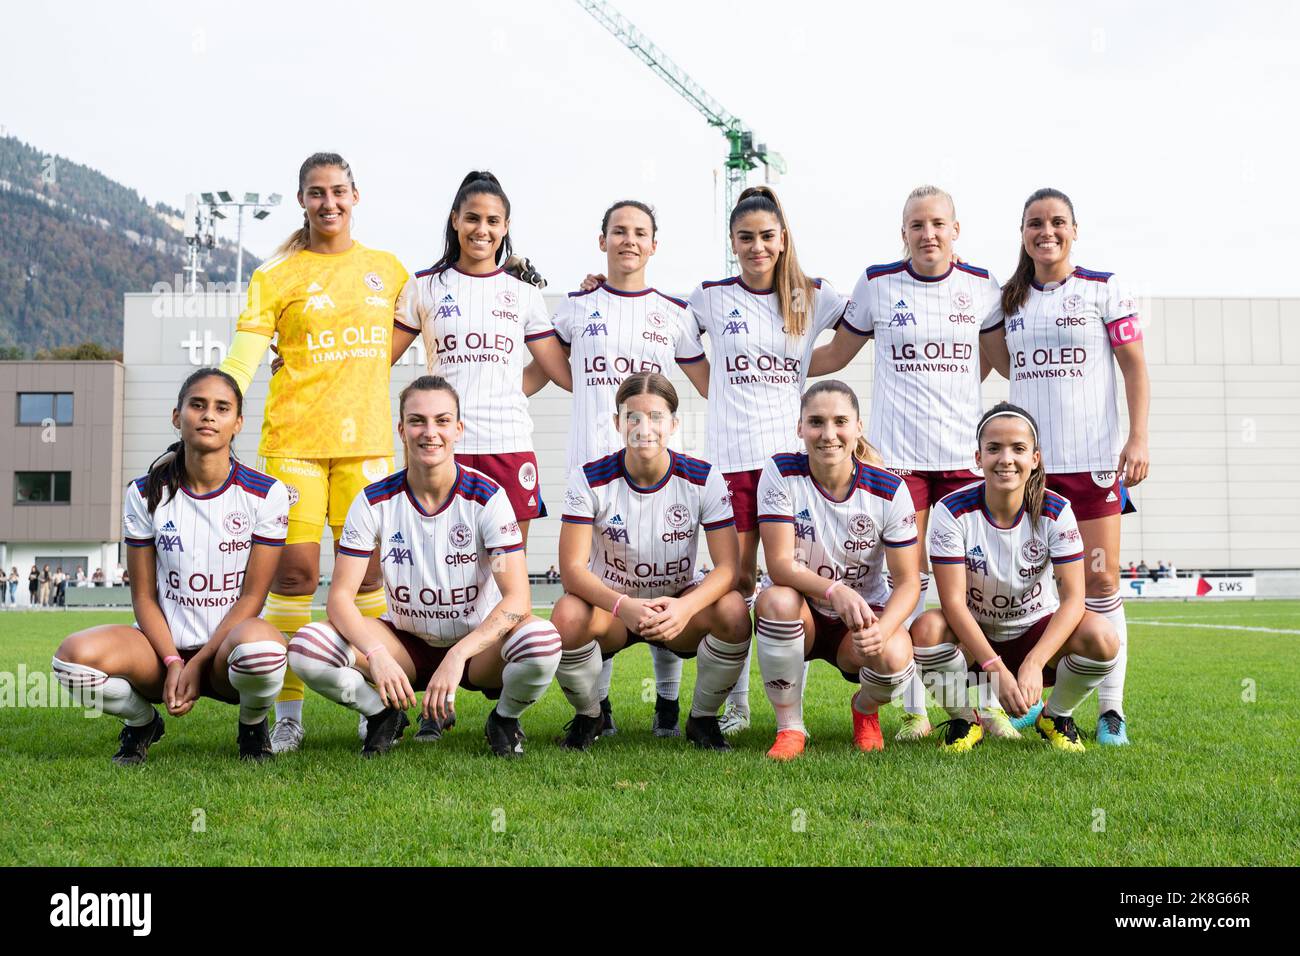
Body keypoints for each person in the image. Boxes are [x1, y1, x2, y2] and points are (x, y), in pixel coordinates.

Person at [219, 152, 412, 754]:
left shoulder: (390, 270)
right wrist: (216, 404)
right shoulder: (274, 276)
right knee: (297, 574)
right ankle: (288, 713)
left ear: (357, 196)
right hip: (294, 443)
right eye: (316, 193)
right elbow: (244, 356)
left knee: (371, 575)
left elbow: (445, 300)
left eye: (338, 191)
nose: (329, 202)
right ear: (301, 200)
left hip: (369, 448)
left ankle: (373, 699)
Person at [809, 184, 1009, 742]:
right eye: (917, 225)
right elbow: (835, 355)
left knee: (968, 587)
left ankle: (981, 705)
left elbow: (1000, 361)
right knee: (912, 583)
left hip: (964, 462)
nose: (929, 234)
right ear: (903, 234)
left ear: (956, 230)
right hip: (899, 463)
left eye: (938, 224)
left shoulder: (981, 286)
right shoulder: (877, 283)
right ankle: (917, 709)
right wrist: (774, 359)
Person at [287, 375, 562, 757]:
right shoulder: (373, 500)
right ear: (401, 429)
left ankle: (504, 719)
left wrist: (457, 655)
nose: (429, 432)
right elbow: (340, 599)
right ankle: (382, 714)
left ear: (459, 429)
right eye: (417, 421)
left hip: (476, 649)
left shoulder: (488, 498)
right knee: (306, 648)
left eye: (442, 421)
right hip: (404, 645)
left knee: (542, 640)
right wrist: (377, 654)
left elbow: (517, 599)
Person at [52, 369, 290, 764]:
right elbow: (143, 596)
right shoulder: (145, 492)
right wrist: (174, 661)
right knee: (72, 659)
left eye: (222, 408)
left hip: (227, 655)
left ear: (238, 423)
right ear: (177, 416)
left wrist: (197, 663)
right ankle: (142, 722)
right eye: (197, 405)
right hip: (161, 651)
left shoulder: (266, 493)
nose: (208, 416)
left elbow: (253, 596)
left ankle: (252, 726)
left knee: (264, 651)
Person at [983, 188, 1149, 746]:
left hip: (1094, 463)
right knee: (1036, 579)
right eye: (1034, 223)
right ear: (1022, 233)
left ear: (1074, 230)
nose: (1045, 232)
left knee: (1100, 580)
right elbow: (1004, 366)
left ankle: (1109, 712)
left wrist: (1138, 437)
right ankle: (1024, 701)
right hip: (1033, 470)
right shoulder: (1007, 299)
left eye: (1057, 222)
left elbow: (1134, 368)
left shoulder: (1105, 289)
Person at [689, 186, 849, 735]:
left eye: (766, 236)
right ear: (732, 242)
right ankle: (735, 707)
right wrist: (723, 390)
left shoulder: (811, 295)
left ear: (783, 240)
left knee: (791, 585)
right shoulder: (709, 296)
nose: (756, 246)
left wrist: (804, 369)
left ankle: (794, 714)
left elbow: (857, 332)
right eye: (745, 238)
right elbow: (685, 348)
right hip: (730, 461)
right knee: (734, 583)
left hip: (789, 464)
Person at [547, 201, 711, 738]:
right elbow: (550, 372)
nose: (629, 241)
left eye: (640, 233)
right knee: (601, 581)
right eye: (619, 231)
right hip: (594, 472)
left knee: (664, 571)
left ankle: (667, 703)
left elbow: (714, 382)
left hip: (658, 468)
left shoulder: (677, 311)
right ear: (602, 240)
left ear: (655, 245)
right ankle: (600, 707)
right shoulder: (573, 307)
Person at [551, 372, 750, 751]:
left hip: (677, 608)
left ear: (674, 424)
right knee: (566, 615)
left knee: (735, 611)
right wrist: (622, 605)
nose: (645, 428)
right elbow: (572, 571)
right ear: (617, 423)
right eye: (633, 417)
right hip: (614, 610)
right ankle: (589, 715)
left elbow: (728, 568)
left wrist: (685, 607)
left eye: (656, 417)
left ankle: (703, 719)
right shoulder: (588, 478)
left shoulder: (704, 477)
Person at [911, 403, 1119, 752]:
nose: (1006, 459)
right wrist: (994, 668)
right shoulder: (952, 510)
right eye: (994, 448)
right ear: (978, 457)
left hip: (1034, 631)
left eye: (1018, 449)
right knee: (927, 630)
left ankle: (1056, 716)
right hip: (976, 635)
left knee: (1102, 636)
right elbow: (953, 603)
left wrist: (1035, 663)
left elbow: (1073, 601)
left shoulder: (1056, 510)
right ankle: (966, 720)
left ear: (1035, 458)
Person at [754, 380, 921, 760]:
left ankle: (865, 710)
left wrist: (884, 629)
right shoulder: (780, 471)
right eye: (816, 422)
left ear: (858, 427)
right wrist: (833, 590)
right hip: (805, 613)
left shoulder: (890, 489)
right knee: (776, 601)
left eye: (840, 421)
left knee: (895, 656)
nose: (828, 434)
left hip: (859, 622)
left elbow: (910, 581)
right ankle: (790, 728)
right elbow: (779, 564)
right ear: (800, 428)